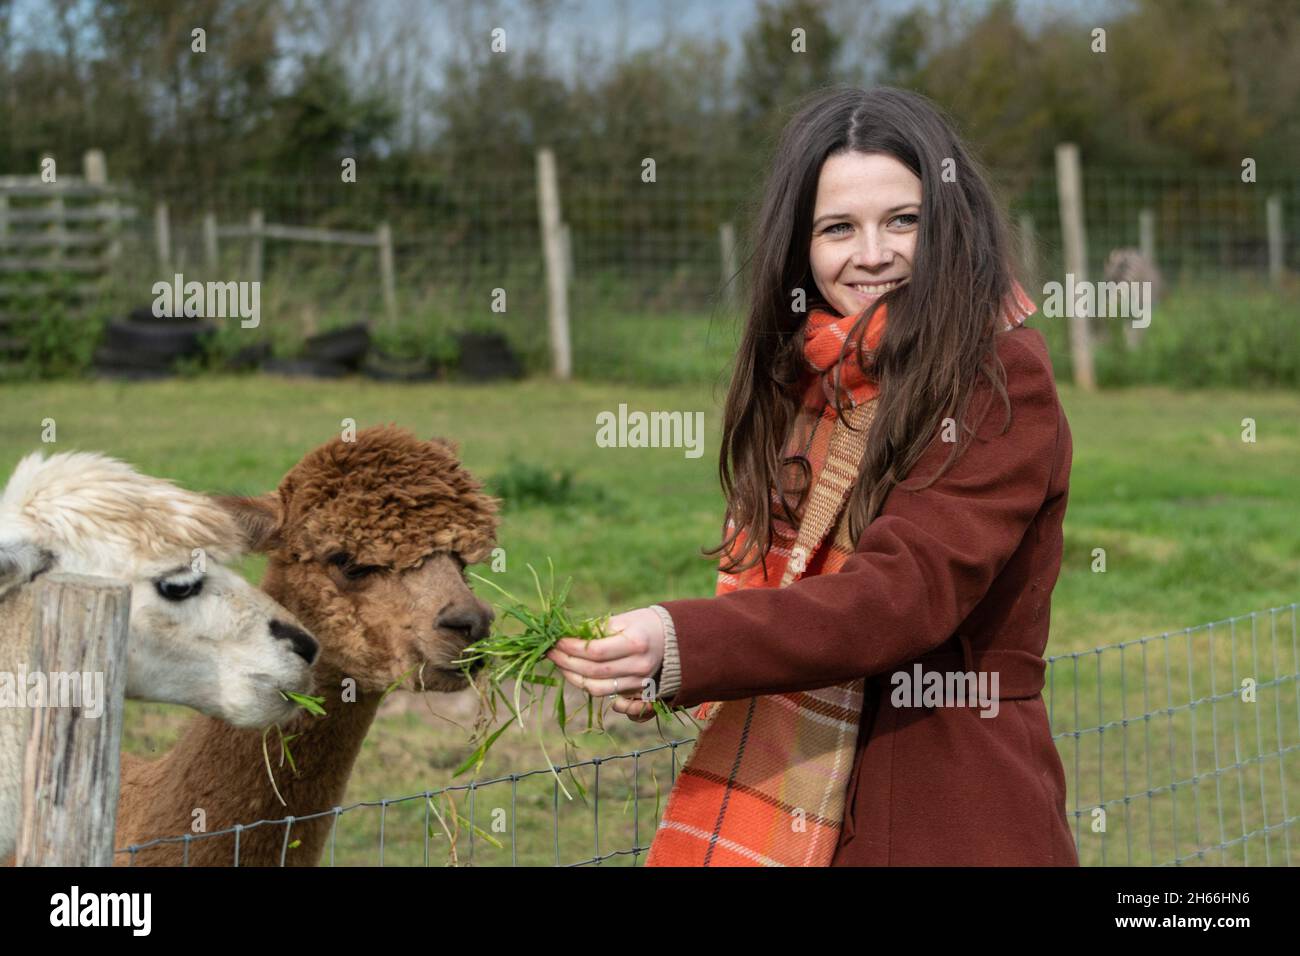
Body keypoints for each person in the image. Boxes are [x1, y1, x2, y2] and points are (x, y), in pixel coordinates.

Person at [546, 86, 1077, 867]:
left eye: (905, 220)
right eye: (839, 229)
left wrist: (684, 641)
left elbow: (903, 594)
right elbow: (781, 590)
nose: (873, 254)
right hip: (796, 782)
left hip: (942, 803)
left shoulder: (997, 374)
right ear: (801, 247)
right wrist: (673, 661)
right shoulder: (814, 373)